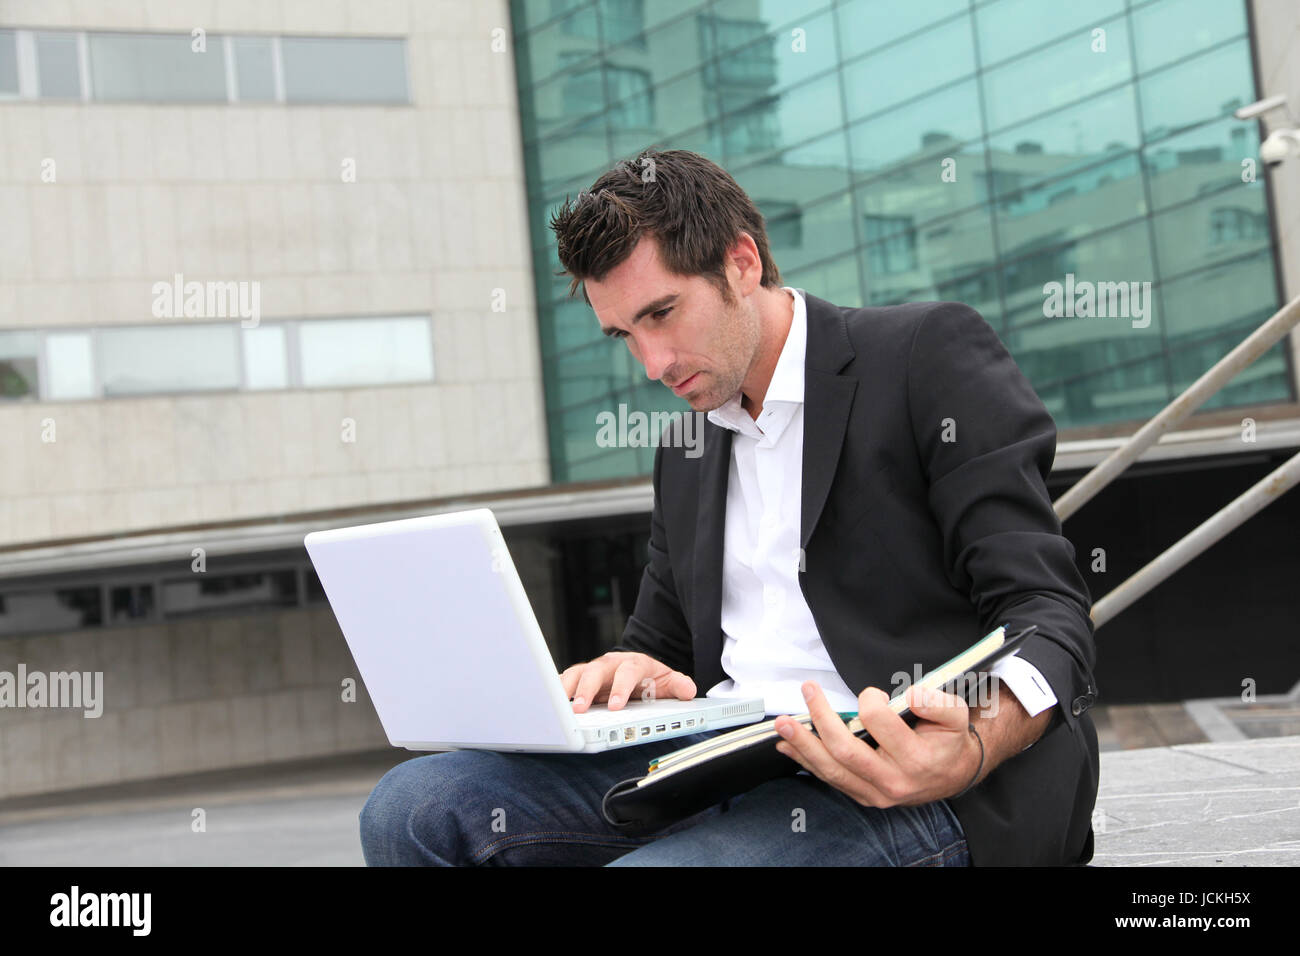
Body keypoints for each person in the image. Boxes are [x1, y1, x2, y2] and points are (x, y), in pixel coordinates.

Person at [359, 148, 1099, 866]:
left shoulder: (922, 355)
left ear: (741, 262)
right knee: (414, 808)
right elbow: (666, 648)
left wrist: (969, 745)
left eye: (663, 313)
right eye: (624, 335)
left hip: (894, 777)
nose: (654, 365)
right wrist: (635, 671)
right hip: (723, 759)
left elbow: (1047, 609)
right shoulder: (685, 445)